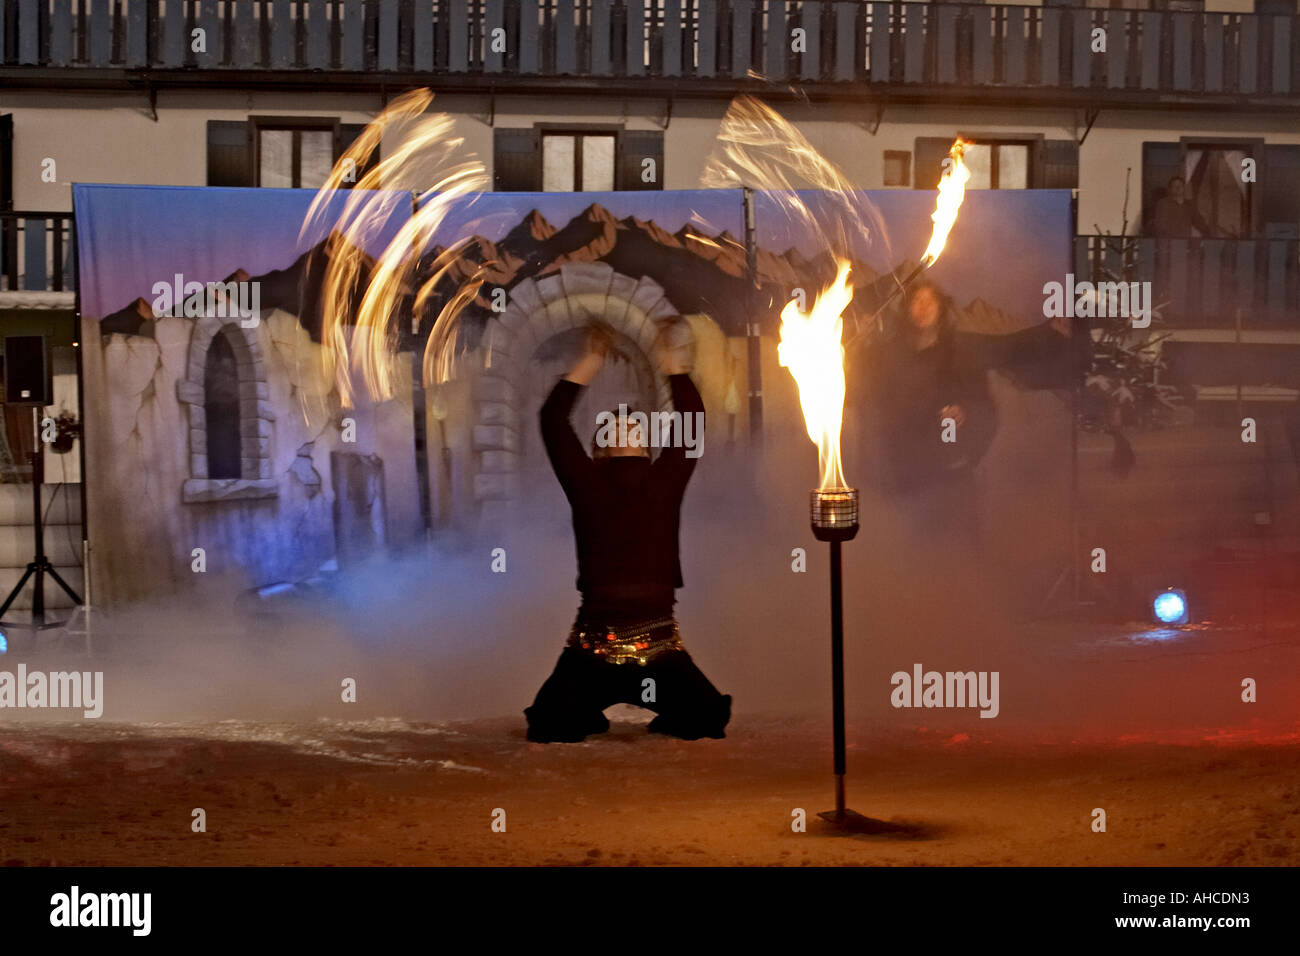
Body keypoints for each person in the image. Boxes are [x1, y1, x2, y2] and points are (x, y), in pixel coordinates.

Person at [524, 321, 731, 743]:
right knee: (549, 725)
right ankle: (585, 709)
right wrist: (592, 361)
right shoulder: (588, 483)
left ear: (649, 444)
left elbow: (692, 422)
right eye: (614, 426)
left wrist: (673, 366)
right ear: (598, 449)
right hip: (592, 649)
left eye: (635, 425)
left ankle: (657, 706)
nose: (626, 425)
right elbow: (553, 421)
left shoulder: (665, 481)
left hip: (659, 649)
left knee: (707, 719)